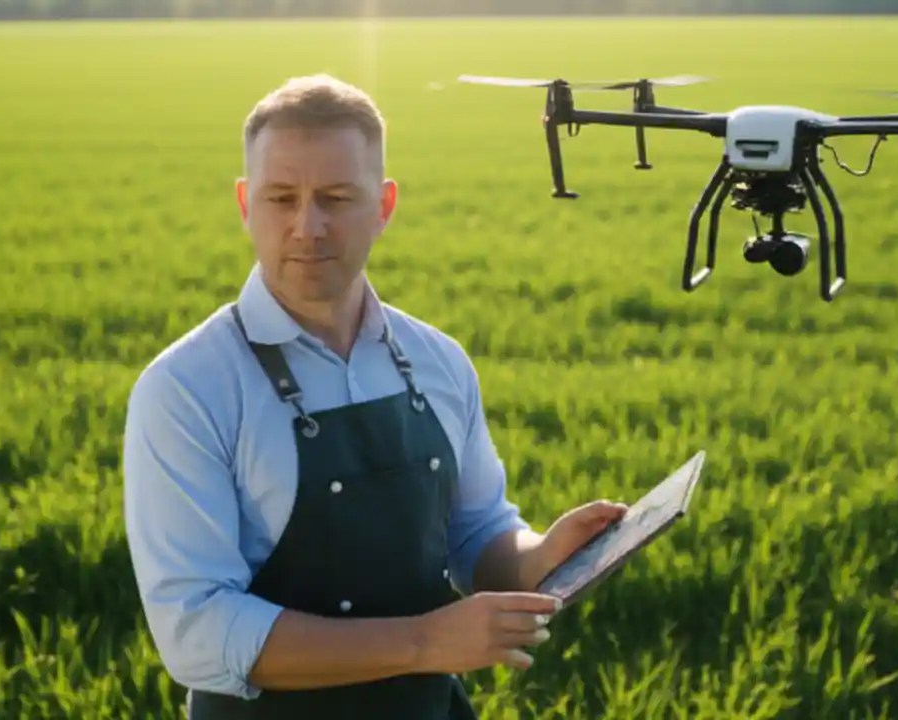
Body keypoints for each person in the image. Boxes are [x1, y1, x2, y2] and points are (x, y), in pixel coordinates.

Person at [121, 73, 629, 719]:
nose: (308, 227)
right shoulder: (187, 389)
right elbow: (196, 633)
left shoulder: (438, 360)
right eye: (281, 198)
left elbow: (478, 537)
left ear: (384, 206)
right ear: (246, 204)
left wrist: (544, 554)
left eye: (336, 197)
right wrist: (424, 641)